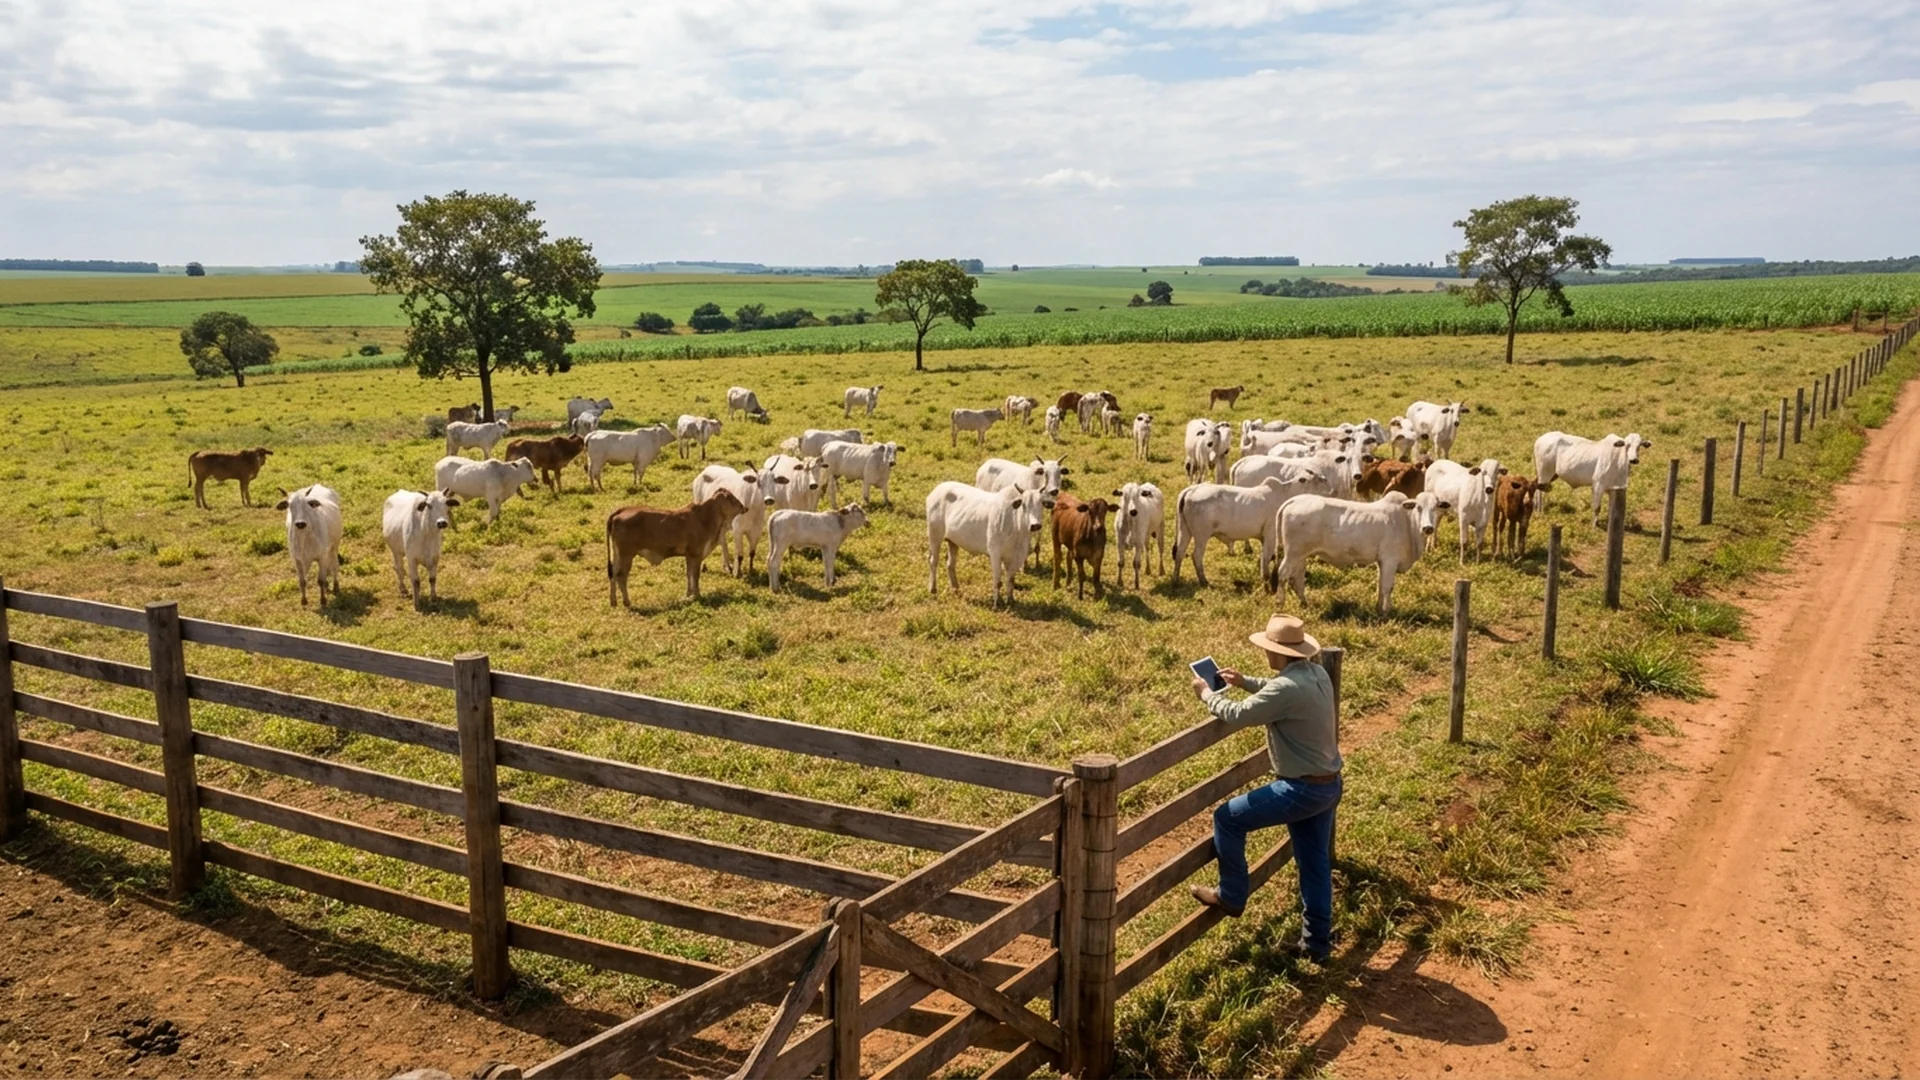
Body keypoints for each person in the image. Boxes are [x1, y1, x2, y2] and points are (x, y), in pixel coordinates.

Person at [1188, 613, 1343, 961]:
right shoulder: (1316, 673)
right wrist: (1245, 682)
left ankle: (1231, 894)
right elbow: (1277, 691)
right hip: (1329, 784)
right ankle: (1316, 944)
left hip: (1299, 790)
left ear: (1276, 652)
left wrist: (1206, 694)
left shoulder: (1285, 688)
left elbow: (1240, 715)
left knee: (1227, 818)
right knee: (1315, 865)